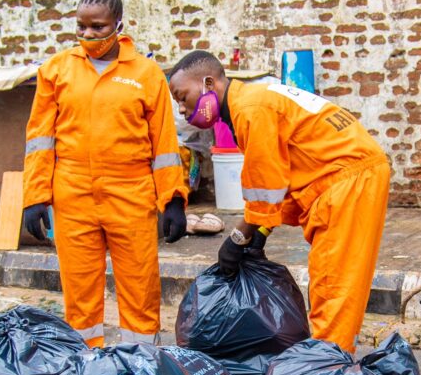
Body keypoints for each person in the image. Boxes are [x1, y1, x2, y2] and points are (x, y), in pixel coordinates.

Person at [166, 51, 391, 353]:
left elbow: (265, 186)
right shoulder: (252, 100)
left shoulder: (250, 109)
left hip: (346, 180)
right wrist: (259, 234)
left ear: (208, 83)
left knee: (334, 286)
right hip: (343, 176)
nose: (182, 109)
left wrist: (238, 237)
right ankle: (328, 365)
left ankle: (330, 373)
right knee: (331, 283)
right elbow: (280, 180)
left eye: (183, 97)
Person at [21, 0, 188, 347]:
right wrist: (34, 197)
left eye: (98, 27)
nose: (88, 35)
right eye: (81, 27)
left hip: (131, 194)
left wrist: (173, 199)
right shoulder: (56, 70)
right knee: (79, 295)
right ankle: (85, 369)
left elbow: (164, 145)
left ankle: (140, 366)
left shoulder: (146, 74)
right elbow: (39, 139)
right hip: (73, 195)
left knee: (140, 290)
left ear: (119, 25)